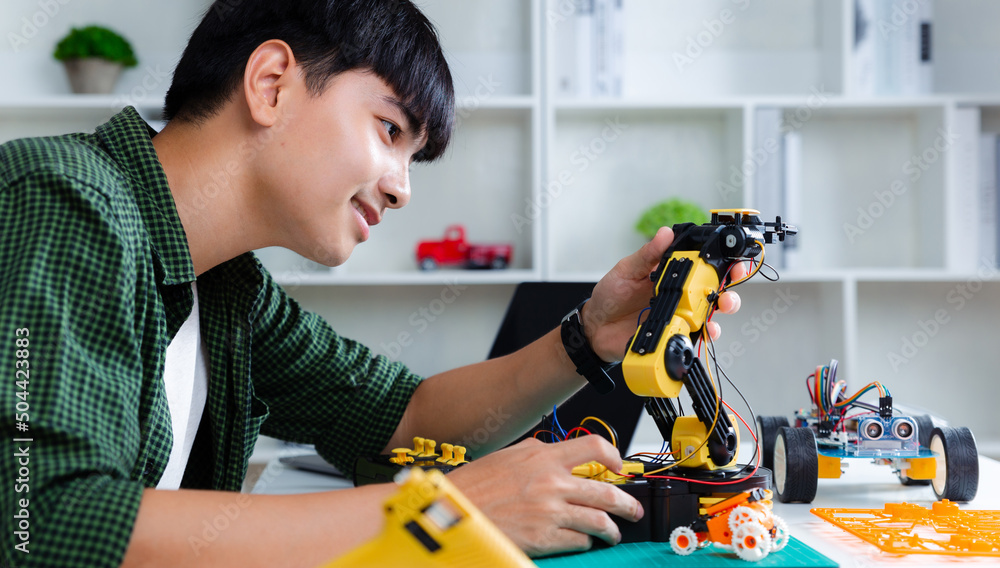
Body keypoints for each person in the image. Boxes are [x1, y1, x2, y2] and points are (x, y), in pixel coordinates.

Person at [0, 1, 741, 566]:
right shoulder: (62, 200)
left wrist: (593, 335)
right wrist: (444, 509)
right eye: (390, 130)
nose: (401, 190)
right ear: (271, 84)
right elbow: (45, 520)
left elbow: (409, 414)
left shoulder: (229, 288)